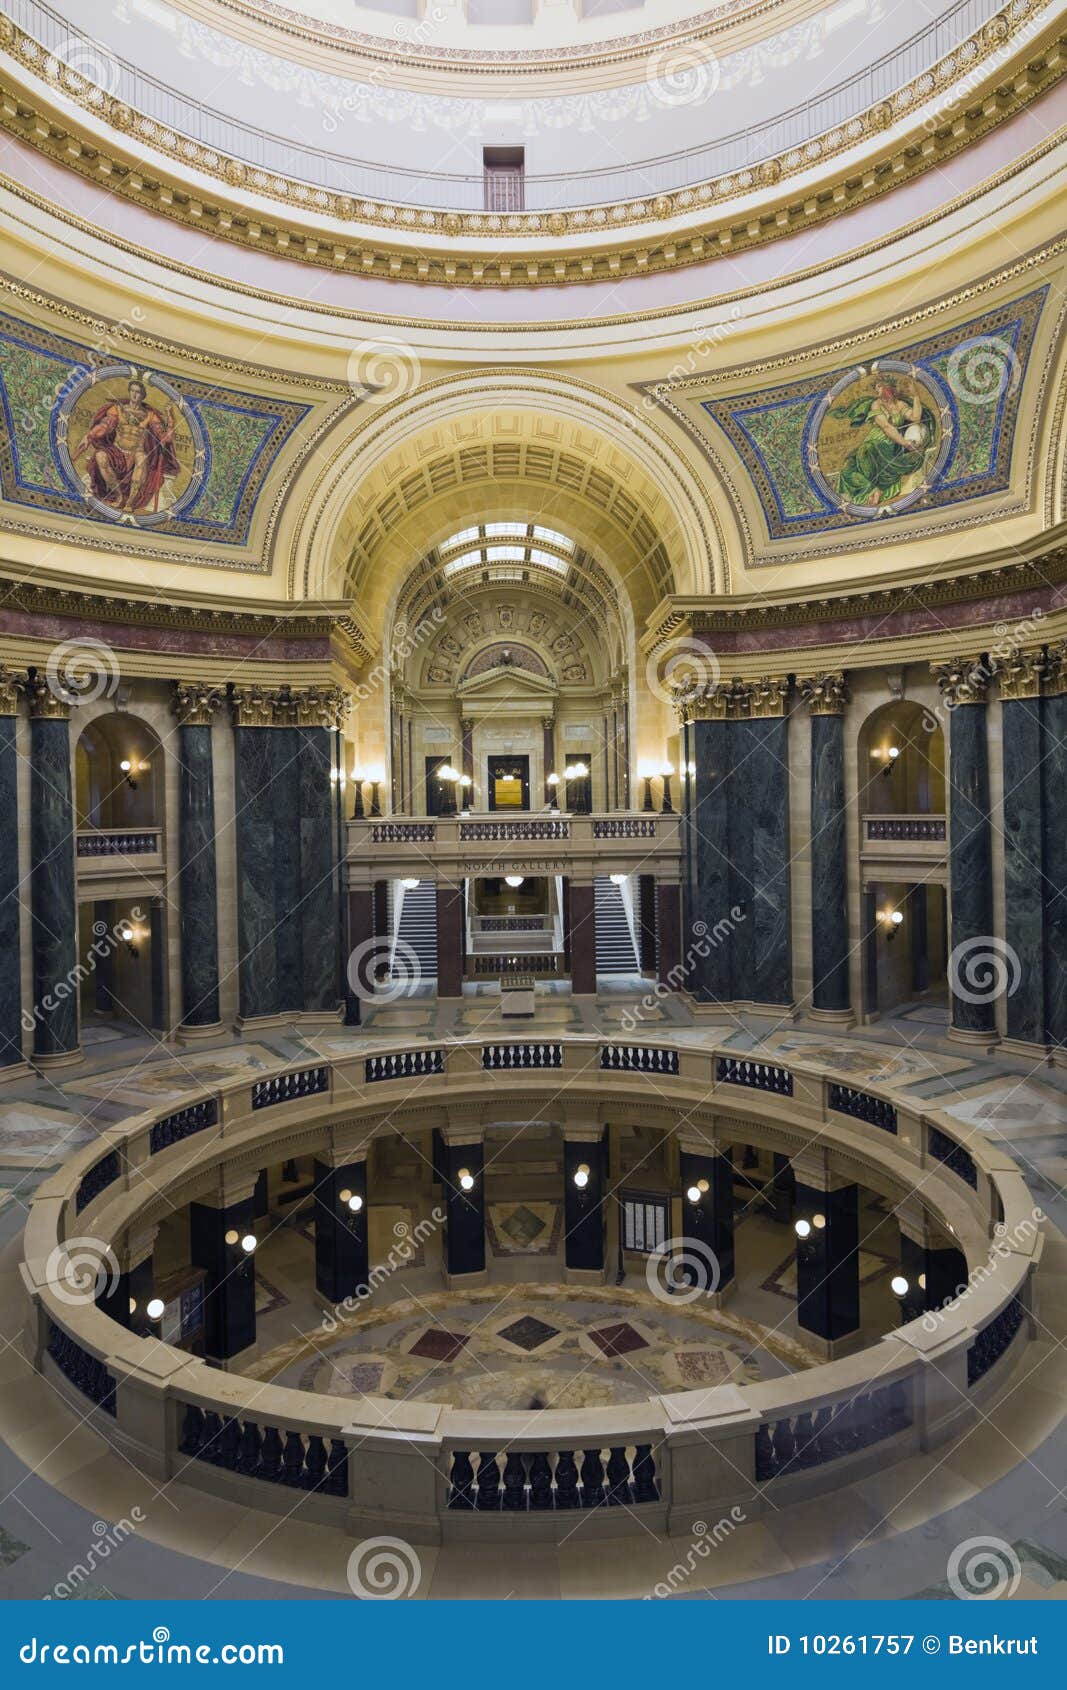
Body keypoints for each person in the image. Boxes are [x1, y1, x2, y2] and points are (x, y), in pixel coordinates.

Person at [76, 376, 180, 514]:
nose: (134, 394)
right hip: (116, 450)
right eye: (132, 391)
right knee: (100, 456)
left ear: (143, 395)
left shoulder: (150, 415)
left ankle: (130, 501)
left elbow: (165, 438)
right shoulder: (118, 409)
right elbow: (104, 426)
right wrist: (88, 436)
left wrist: (170, 418)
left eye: (138, 392)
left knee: (142, 459)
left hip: (137, 451)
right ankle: (118, 495)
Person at [829, 375, 936, 507]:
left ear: (887, 387)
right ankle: (873, 490)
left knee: (867, 450)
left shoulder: (900, 404)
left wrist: (916, 397)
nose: (876, 390)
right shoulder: (876, 404)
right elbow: (886, 426)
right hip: (875, 441)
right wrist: (904, 442)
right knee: (847, 468)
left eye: (878, 386)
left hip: (888, 445)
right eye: (875, 388)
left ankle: (874, 490)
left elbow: (915, 417)